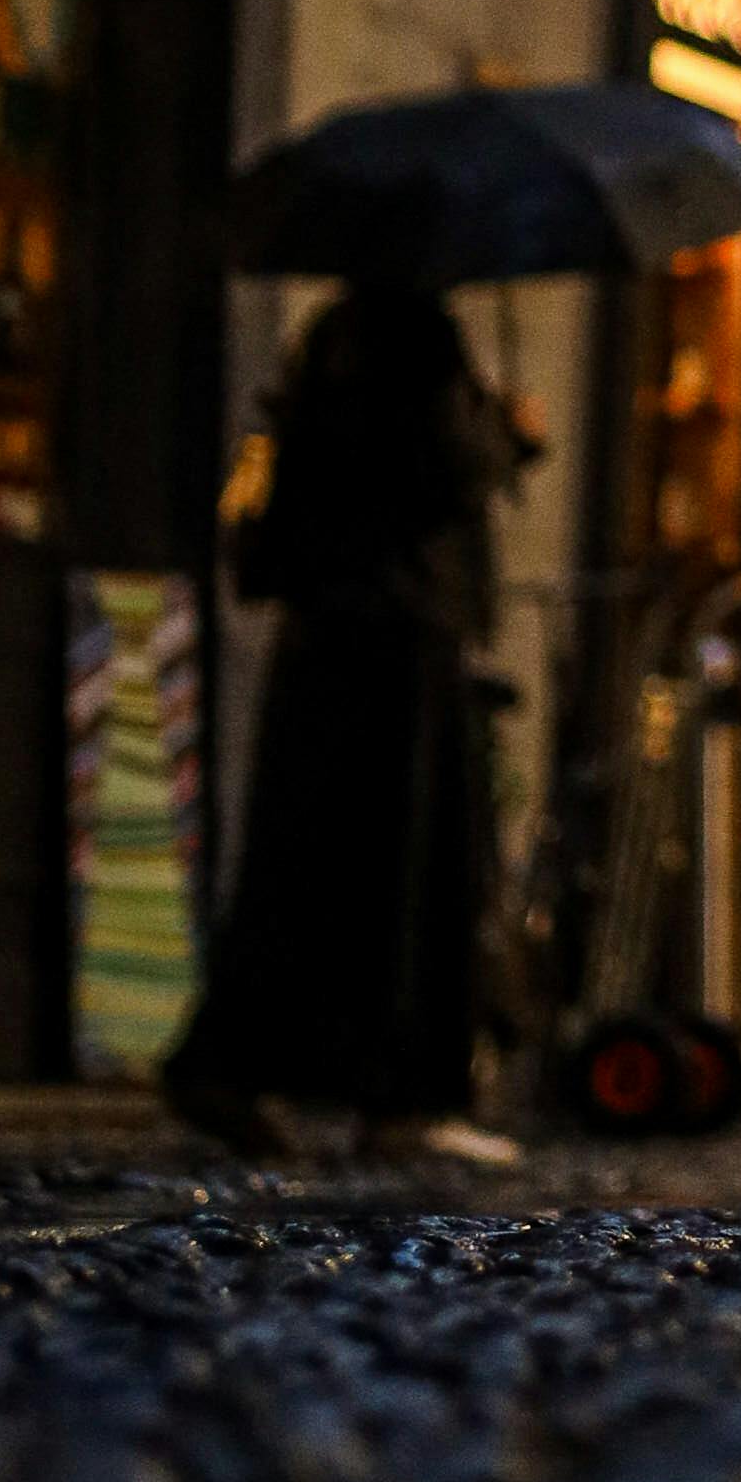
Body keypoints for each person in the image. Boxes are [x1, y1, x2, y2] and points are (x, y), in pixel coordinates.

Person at [165, 285, 526, 1139]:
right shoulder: (417, 340)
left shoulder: (331, 339)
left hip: (325, 639)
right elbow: (439, 471)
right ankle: (398, 1090)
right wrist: (508, 434)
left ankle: (245, 1066)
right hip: (399, 640)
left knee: (304, 866)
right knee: (406, 875)